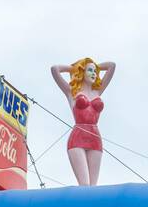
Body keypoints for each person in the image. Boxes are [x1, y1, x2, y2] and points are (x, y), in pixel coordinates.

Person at [49, 57, 116, 186]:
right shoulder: (72, 92)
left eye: (95, 72)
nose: (94, 74)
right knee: (84, 184)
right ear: (82, 72)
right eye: (90, 70)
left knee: (93, 186)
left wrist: (95, 66)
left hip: (95, 138)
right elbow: (55, 69)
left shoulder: (98, 91)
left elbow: (112, 66)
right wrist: (75, 68)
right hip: (77, 138)